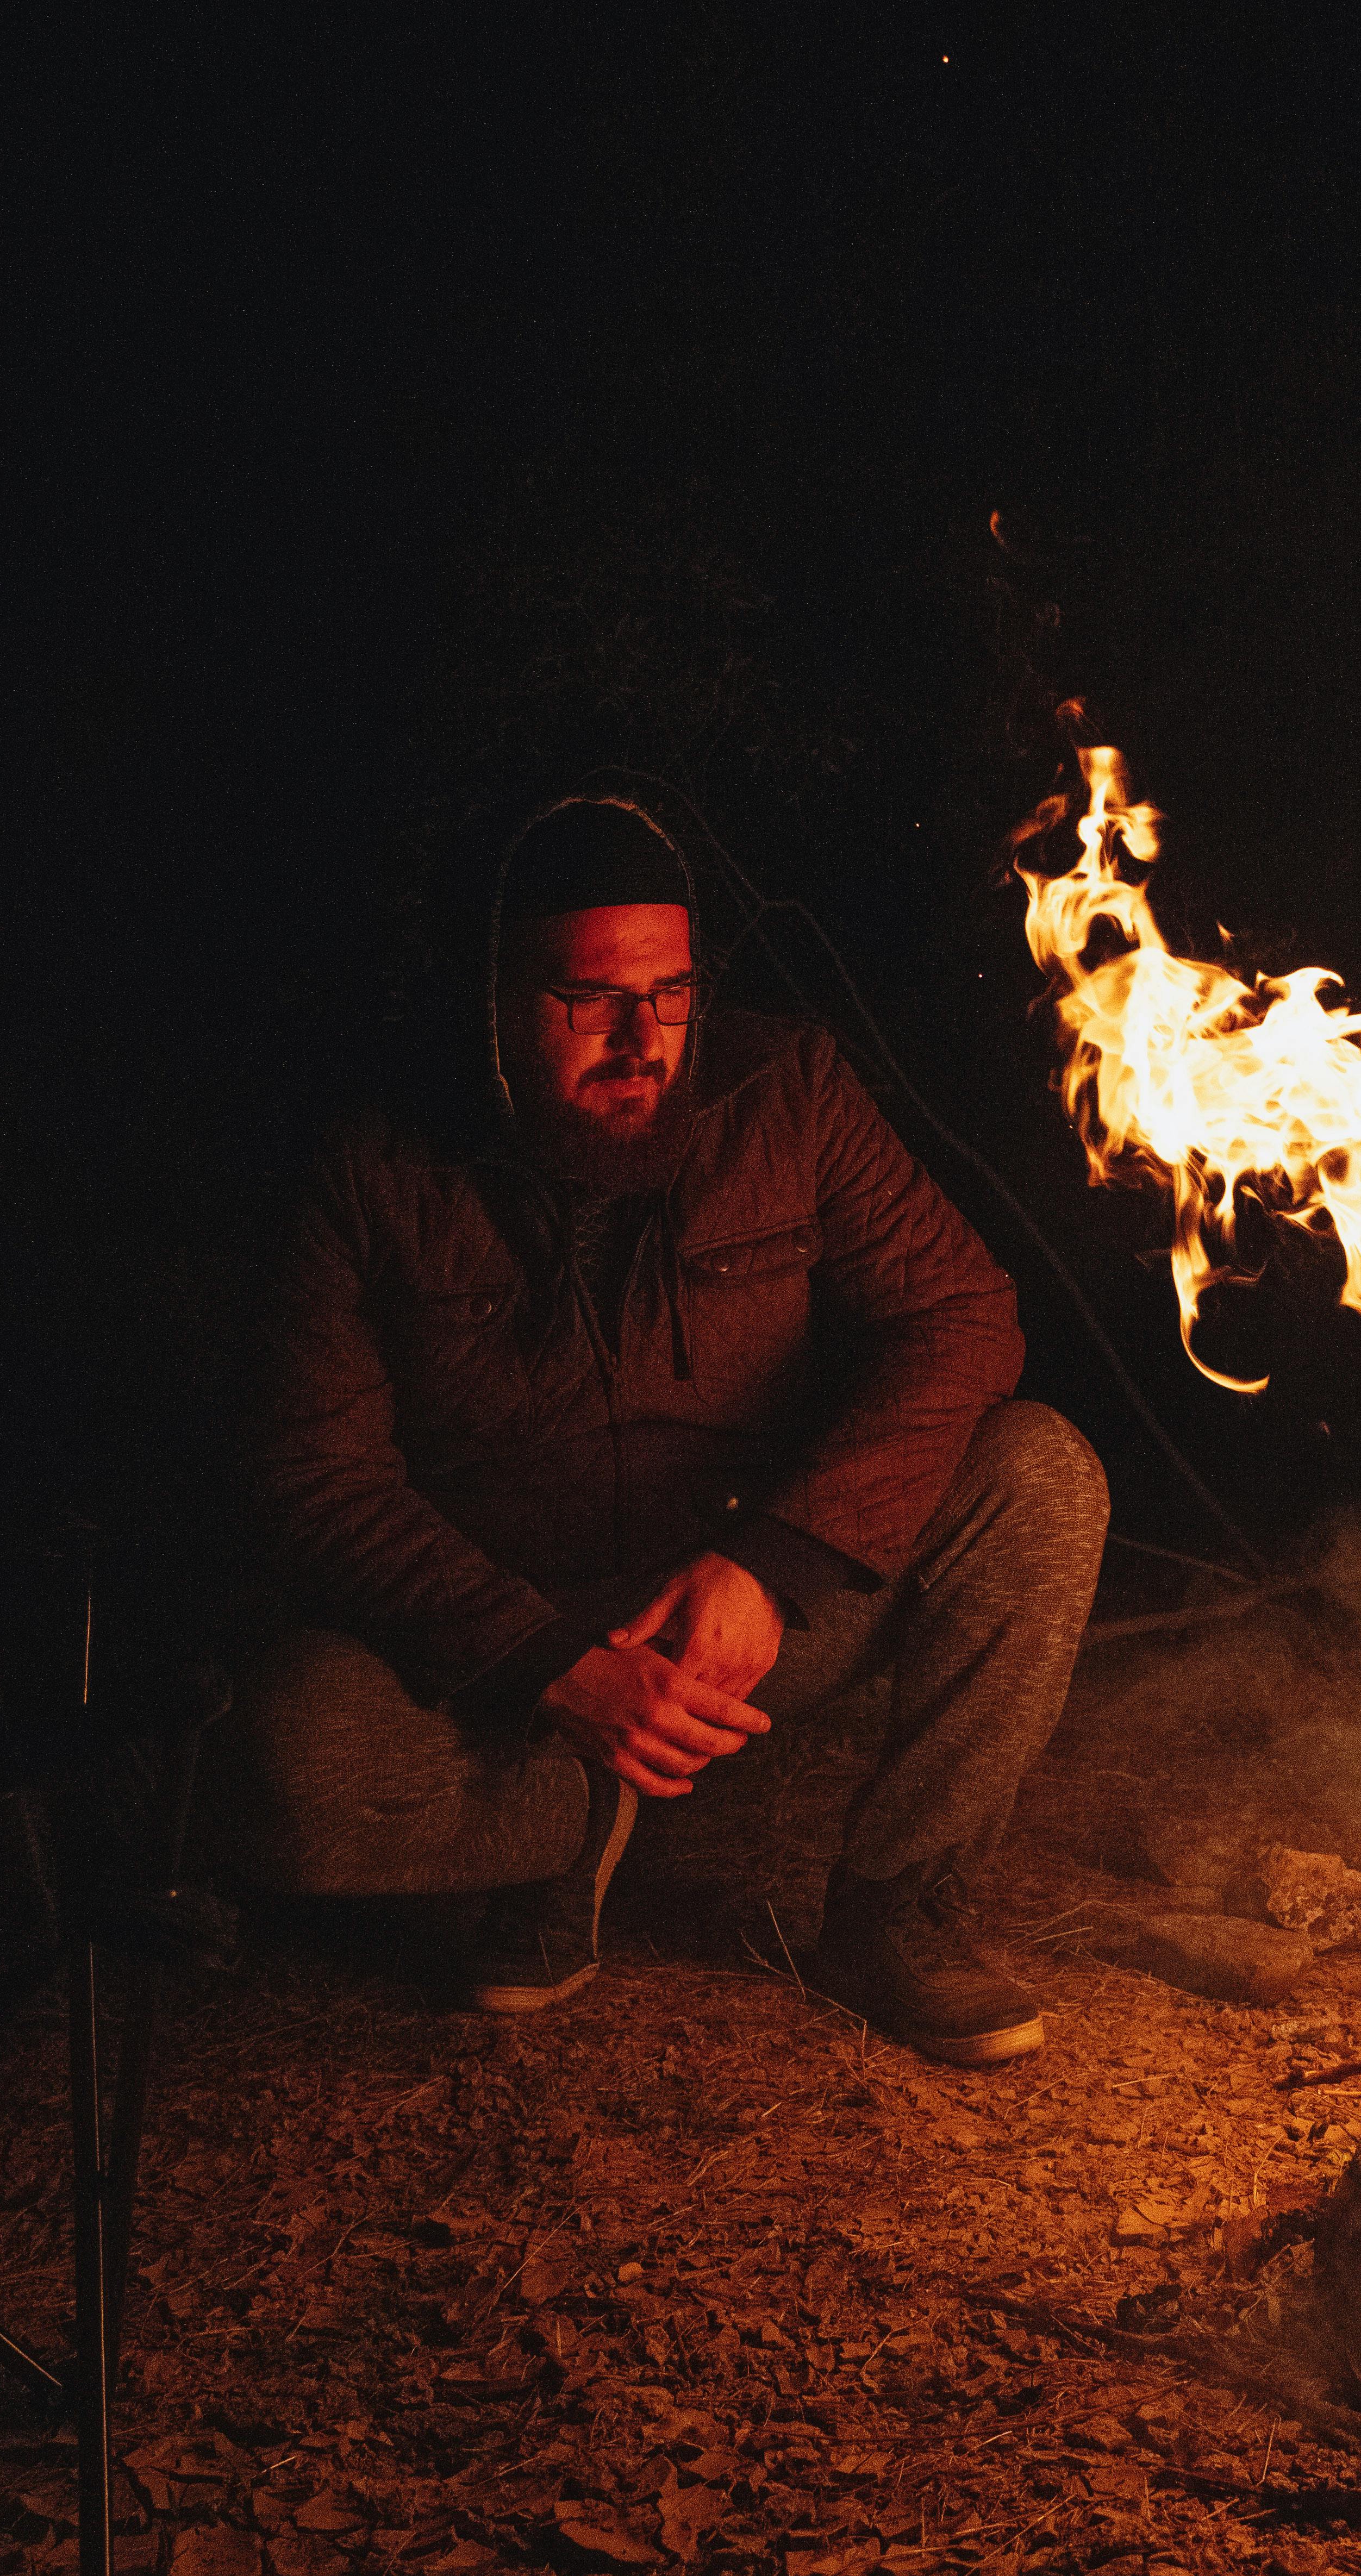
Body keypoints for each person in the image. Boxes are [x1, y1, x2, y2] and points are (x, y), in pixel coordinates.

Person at [205, 794, 1109, 2065]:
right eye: (589, 1000)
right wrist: (548, 1663)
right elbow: (311, 1471)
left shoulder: (784, 1090)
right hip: (502, 1645)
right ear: (497, 1004)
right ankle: (575, 1819)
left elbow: (960, 1314)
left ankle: (900, 1901)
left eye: (672, 992)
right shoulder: (376, 1167)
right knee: (278, 1762)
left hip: (734, 1614)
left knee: (1040, 1476)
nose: (643, 1039)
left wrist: (775, 1560)